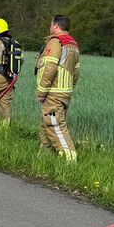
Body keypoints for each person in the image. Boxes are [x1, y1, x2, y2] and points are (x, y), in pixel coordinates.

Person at [35, 15, 80, 162]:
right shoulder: (73, 44)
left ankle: (70, 158)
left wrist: (42, 91)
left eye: (50, 24)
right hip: (64, 92)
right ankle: (45, 156)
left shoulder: (56, 42)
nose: (50, 27)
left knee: (54, 124)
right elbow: (76, 71)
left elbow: (50, 67)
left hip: (53, 92)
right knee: (46, 124)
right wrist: (69, 87)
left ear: (55, 25)